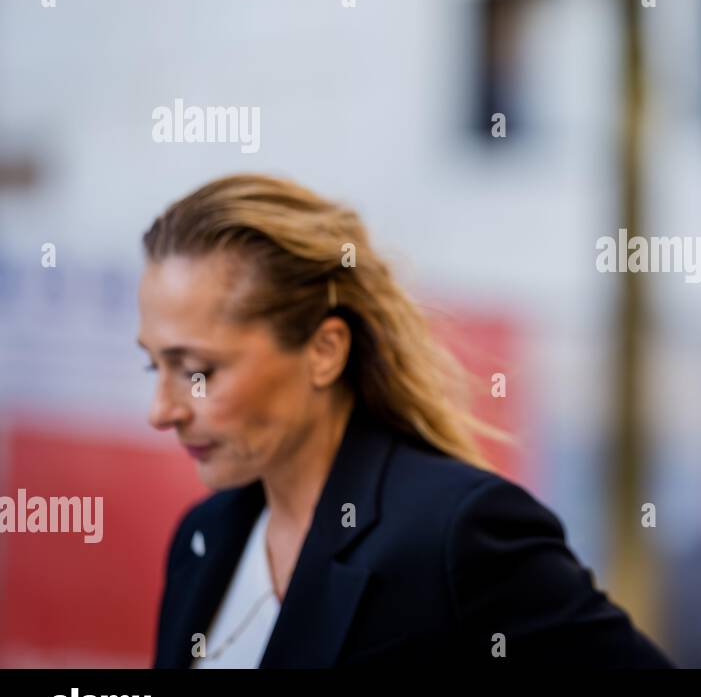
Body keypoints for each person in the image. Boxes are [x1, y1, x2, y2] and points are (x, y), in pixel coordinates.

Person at [141, 173, 671, 668]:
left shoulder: (457, 532)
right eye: (153, 364)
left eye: (196, 370)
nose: (162, 411)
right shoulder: (203, 536)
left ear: (325, 350)